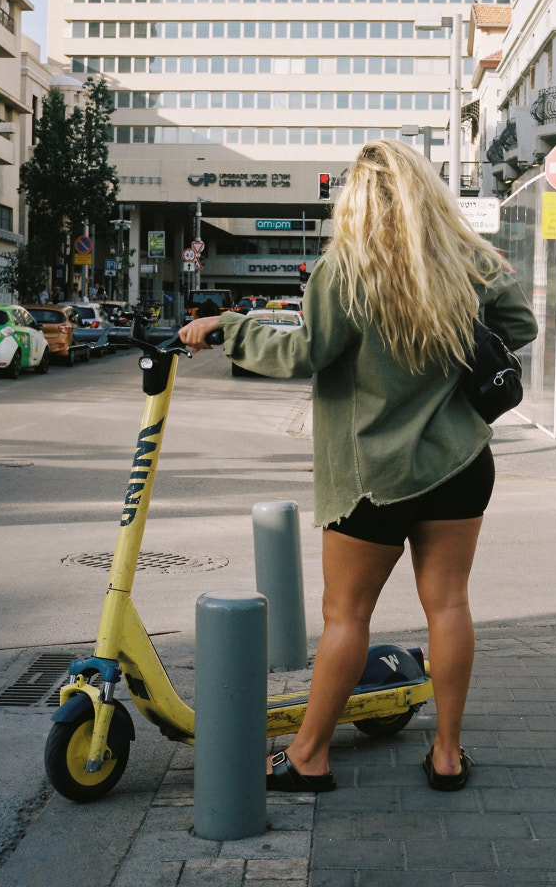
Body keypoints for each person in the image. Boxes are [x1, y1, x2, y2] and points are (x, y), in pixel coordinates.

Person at [180, 139, 537, 793]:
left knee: (347, 616)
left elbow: (302, 354)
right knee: (450, 605)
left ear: (356, 202)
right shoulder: (468, 265)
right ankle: (448, 756)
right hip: (459, 462)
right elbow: (519, 325)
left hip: (372, 475)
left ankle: (310, 755)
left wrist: (229, 325)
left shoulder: (345, 270)